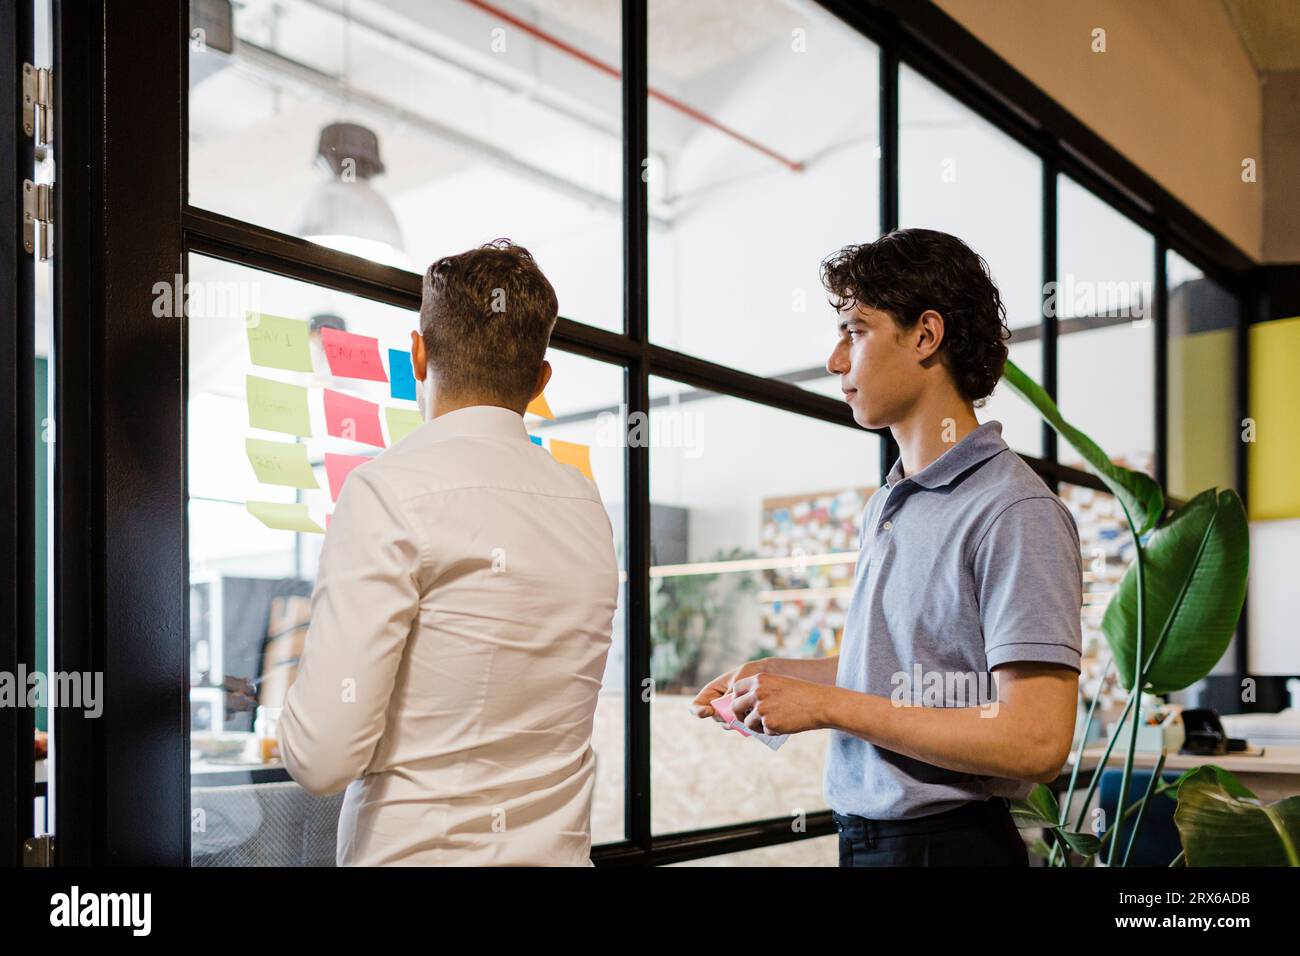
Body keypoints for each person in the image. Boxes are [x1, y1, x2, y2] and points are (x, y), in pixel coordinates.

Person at [692, 228, 1083, 866]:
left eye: (855, 330)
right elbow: (913, 679)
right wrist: (781, 675)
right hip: (873, 844)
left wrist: (826, 704)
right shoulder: (892, 500)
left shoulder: (1015, 511)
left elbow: (1035, 739)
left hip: (948, 849)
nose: (834, 360)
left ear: (926, 336)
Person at [280, 239, 619, 866]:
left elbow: (323, 756)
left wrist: (285, 704)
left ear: (416, 355)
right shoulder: (587, 507)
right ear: (542, 379)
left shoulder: (388, 489)